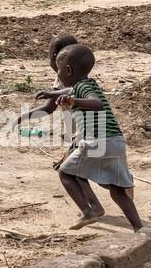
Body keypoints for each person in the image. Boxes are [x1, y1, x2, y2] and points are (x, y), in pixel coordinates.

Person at [24, 43, 142, 231]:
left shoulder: (82, 88)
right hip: (116, 141)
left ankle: (90, 210)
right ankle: (139, 228)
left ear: (68, 70)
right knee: (118, 191)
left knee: (65, 172)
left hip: (96, 141)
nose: (58, 75)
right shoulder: (87, 83)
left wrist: (74, 101)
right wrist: (50, 94)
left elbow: (96, 103)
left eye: (60, 70)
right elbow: (65, 93)